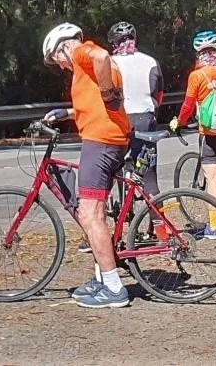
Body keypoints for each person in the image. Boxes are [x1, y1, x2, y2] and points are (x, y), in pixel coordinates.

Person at [41, 22, 132, 309]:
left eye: (56, 58)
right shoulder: (87, 67)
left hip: (101, 142)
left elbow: (101, 58)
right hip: (111, 139)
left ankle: (114, 289)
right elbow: (95, 103)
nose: (60, 65)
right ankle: (102, 278)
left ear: (64, 47)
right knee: (97, 214)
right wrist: (67, 112)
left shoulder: (82, 52)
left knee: (89, 214)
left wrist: (106, 93)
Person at [169, 30, 216, 239]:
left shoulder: (196, 76)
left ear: (198, 54)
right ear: (215, 52)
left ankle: (214, 228)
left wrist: (179, 122)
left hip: (210, 132)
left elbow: (187, 106)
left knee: (212, 177)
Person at [108, 21, 164, 197]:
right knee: (148, 169)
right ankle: (156, 212)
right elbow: (159, 95)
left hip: (120, 118)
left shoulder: (110, 63)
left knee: (113, 163)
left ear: (114, 43)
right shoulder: (151, 61)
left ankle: (119, 201)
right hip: (145, 117)